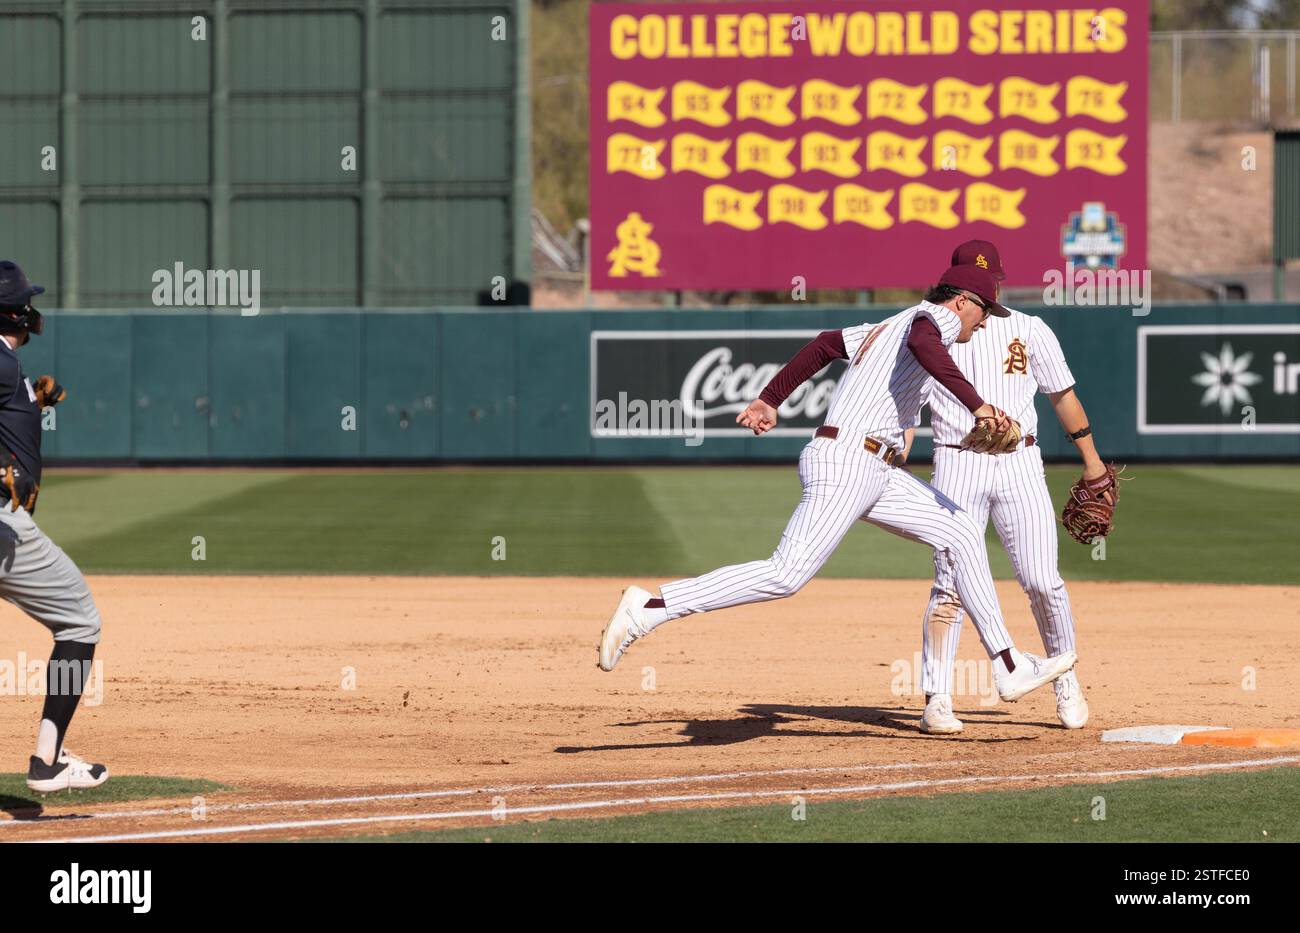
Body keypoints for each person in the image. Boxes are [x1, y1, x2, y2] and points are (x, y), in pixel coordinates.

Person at [597, 261, 1076, 705]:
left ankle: (1008, 664)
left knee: (963, 532)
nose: (986, 321)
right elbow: (925, 344)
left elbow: (826, 342)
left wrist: (771, 397)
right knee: (785, 575)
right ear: (963, 301)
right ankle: (653, 607)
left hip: (877, 468)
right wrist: (978, 404)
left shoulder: (890, 325)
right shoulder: (936, 320)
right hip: (848, 461)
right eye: (984, 310)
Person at [910, 241, 1106, 735]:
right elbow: (907, 407)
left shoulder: (1028, 327)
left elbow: (1062, 396)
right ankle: (937, 697)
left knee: (1043, 581)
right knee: (950, 586)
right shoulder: (925, 331)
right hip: (957, 463)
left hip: (1020, 463)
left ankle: (1064, 676)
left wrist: (1092, 461)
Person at [0, 261, 108, 791]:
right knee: (80, 622)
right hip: (3, 526)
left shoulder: (6, 363)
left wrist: (32, 401)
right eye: (26, 300)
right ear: (15, 311)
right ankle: (49, 760)